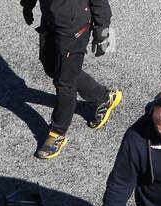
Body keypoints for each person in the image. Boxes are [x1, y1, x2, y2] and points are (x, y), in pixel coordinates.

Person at [20, 0, 123, 159]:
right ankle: (104, 97)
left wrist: (102, 33)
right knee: (52, 67)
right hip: (50, 20)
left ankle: (57, 133)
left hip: (73, 29)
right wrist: (28, 4)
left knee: (65, 83)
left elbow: (100, 2)